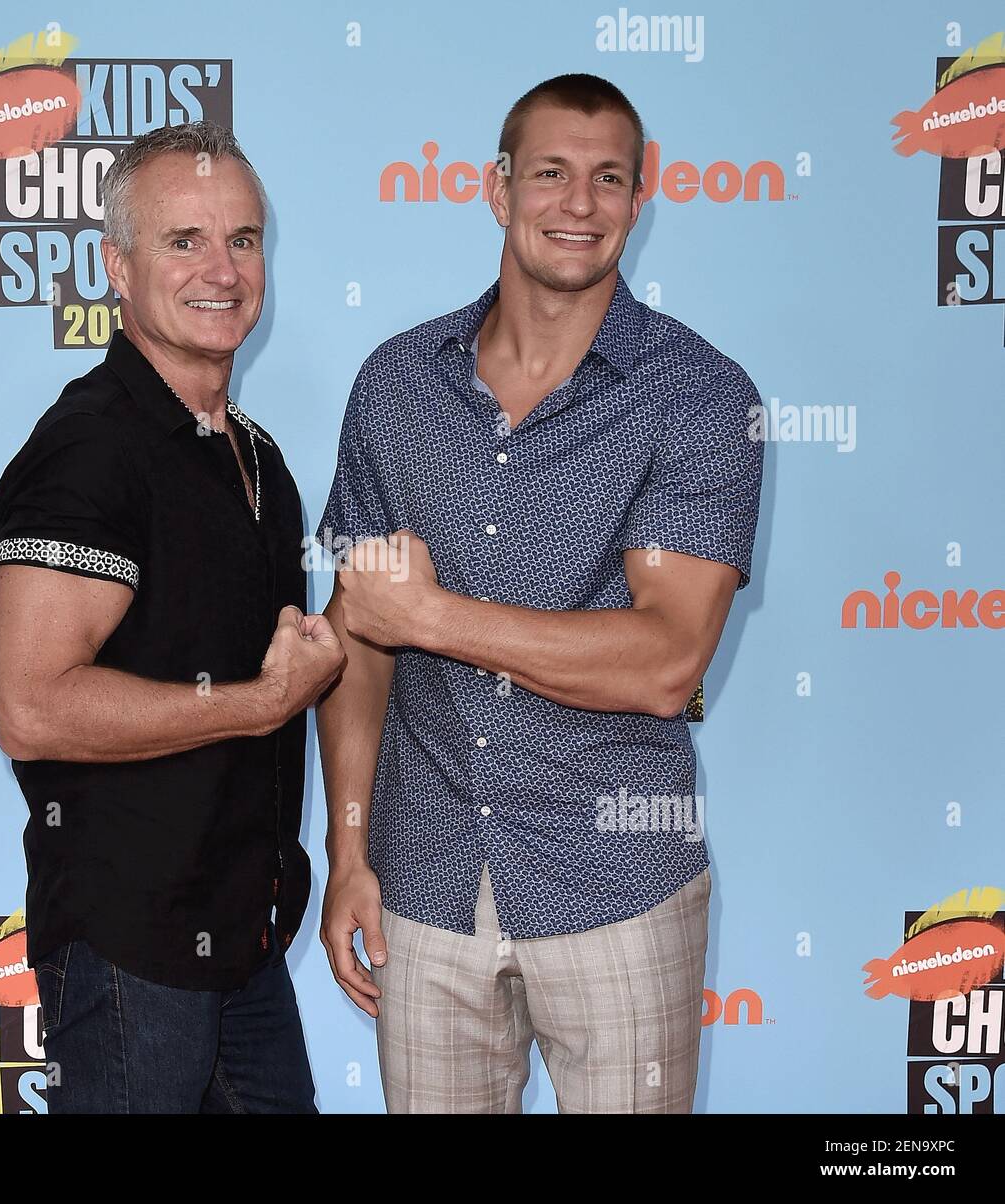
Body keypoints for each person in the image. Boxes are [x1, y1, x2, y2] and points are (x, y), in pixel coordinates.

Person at [316, 73, 765, 1113]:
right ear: (496, 188)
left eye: (609, 178)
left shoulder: (702, 397)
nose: (579, 203)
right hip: (420, 882)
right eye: (552, 173)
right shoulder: (396, 382)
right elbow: (359, 645)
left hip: (616, 887)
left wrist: (432, 616)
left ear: (639, 199)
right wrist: (346, 850)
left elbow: (664, 663)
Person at [0, 120, 344, 1114]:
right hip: (129, 948)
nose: (222, 269)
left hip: (243, 940)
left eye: (243, 238)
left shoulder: (255, 456)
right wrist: (260, 702)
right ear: (117, 266)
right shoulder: (89, 450)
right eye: (183, 240)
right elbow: (32, 707)